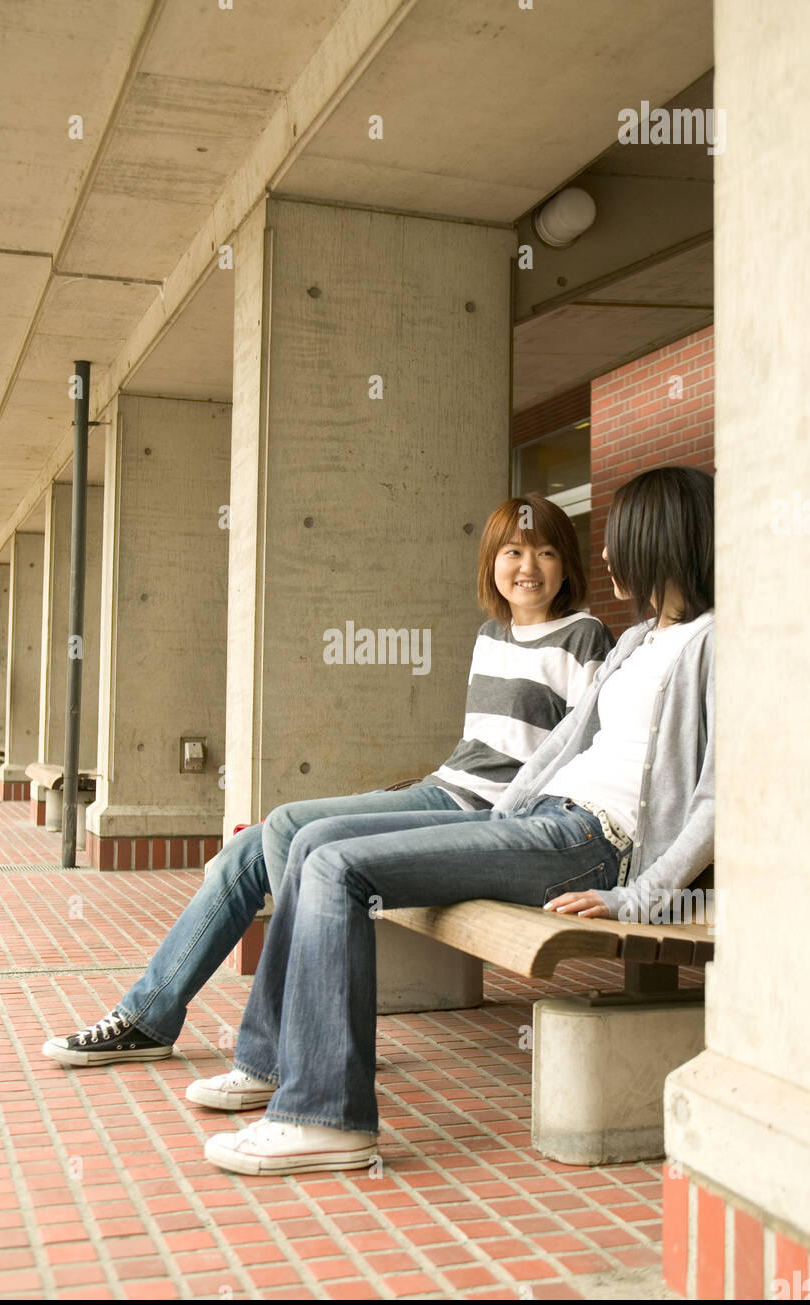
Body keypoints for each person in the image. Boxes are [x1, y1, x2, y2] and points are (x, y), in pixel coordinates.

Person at [200, 464, 715, 1176]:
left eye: (615, 537)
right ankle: (270, 1060)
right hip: (540, 822)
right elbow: (562, 748)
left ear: (658, 539)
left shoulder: (715, 644)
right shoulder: (635, 642)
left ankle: (325, 1117)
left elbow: (716, 800)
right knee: (312, 838)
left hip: (599, 843)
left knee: (336, 866)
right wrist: (496, 821)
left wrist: (640, 897)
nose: (603, 555)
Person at [42, 495, 612, 1099]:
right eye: (513, 552)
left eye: (546, 552)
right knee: (251, 852)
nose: (529, 567)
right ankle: (148, 1016)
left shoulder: (584, 637)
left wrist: (513, 820)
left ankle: (310, 1042)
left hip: (482, 814)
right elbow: (481, 742)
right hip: (441, 789)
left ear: (567, 563)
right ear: (491, 563)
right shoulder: (492, 634)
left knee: (286, 825)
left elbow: (583, 750)